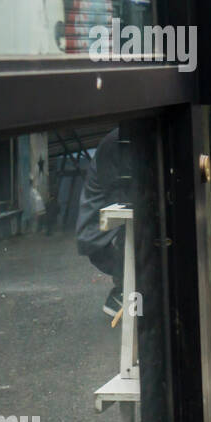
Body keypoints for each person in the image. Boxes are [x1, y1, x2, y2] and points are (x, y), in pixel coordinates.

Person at [76, 128, 131, 317]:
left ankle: (126, 288)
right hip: (102, 212)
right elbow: (115, 194)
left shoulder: (126, 138)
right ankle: (124, 289)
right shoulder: (113, 142)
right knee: (128, 226)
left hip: (117, 204)